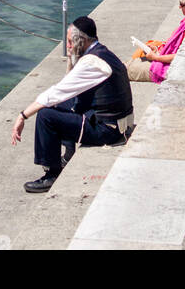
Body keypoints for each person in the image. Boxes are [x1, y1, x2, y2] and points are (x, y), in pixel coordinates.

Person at [11, 14, 134, 194]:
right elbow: (69, 87)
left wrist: (22, 116)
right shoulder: (101, 52)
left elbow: (57, 91)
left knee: (46, 115)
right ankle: (68, 154)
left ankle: (51, 173)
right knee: (65, 102)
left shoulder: (91, 63)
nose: (67, 46)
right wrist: (71, 58)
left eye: (70, 41)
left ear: (81, 40)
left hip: (108, 131)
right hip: (118, 123)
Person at [127, 0, 185, 83]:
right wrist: (158, 49)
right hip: (169, 61)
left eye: (182, 4)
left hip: (171, 68)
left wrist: (157, 57)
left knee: (124, 68)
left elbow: (182, 55)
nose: (179, 7)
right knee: (129, 62)